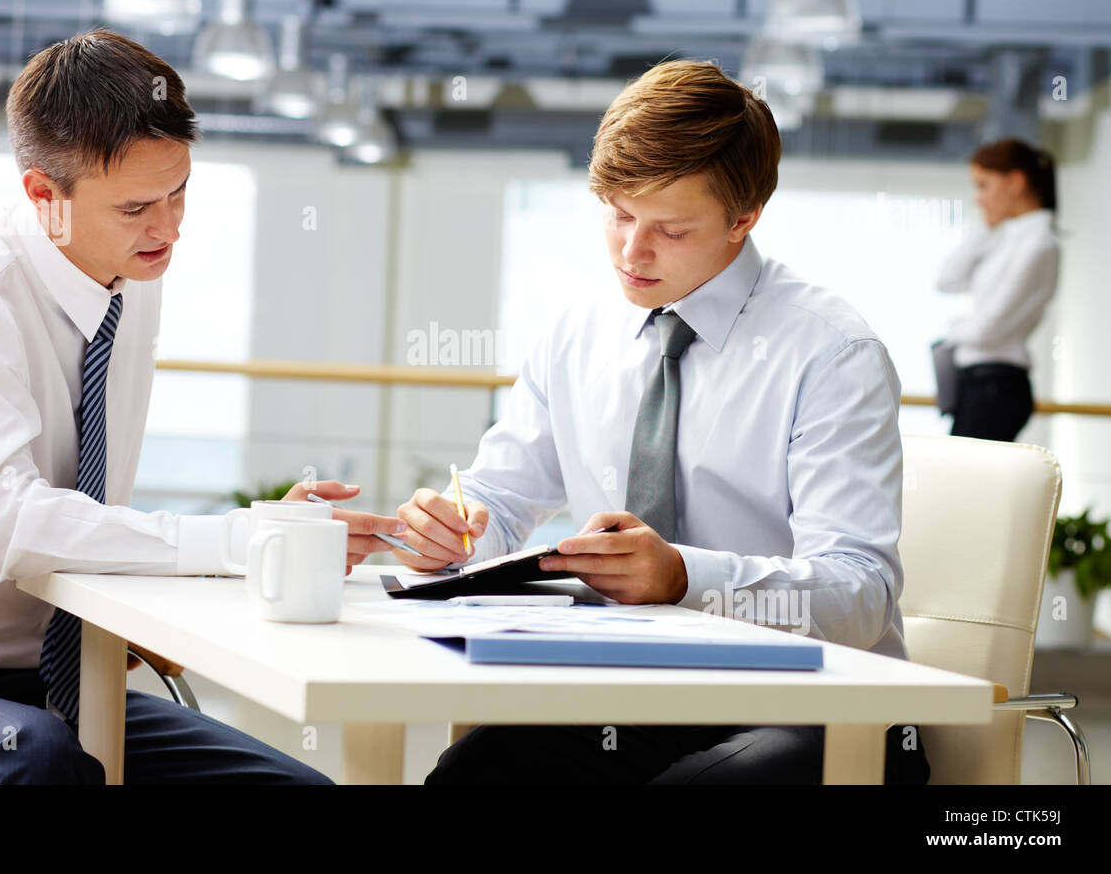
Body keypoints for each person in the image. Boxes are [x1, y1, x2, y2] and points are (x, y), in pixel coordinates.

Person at [0, 28, 406, 784]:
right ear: (42, 196)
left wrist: (273, 534)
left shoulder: (133, 276)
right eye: (135, 207)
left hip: (58, 681)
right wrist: (233, 543)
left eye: (180, 189)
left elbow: (83, 510)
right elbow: (8, 528)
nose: (168, 228)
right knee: (39, 767)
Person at [393, 59, 930, 785]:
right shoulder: (577, 329)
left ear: (744, 219)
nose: (630, 251)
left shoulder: (830, 352)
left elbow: (860, 594)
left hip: (817, 701)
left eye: (670, 230)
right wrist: (456, 526)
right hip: (634, 691)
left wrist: (683, 575)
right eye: (616, 212)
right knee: (470, 779)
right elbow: (504, 496)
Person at [935, 138, 1060, 442]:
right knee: (962, 482)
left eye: (983, 185)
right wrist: (984, 228)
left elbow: (987, 329)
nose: (978, 198)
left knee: (963, 485)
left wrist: (954, 330)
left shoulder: (1038, 244)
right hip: (980, 383)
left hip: (995, 385)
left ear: (1015, 182)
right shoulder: (1007, 238)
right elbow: (947, 280)